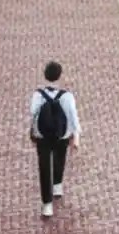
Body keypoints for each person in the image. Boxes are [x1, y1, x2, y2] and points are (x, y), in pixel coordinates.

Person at [29, 61, 81, 218]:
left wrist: (32, 132)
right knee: (60, 158)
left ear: (45, 75)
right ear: (60, 76)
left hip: (43, 136)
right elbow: (73, 116)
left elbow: (33, 113)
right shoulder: (67, 96)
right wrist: (76, 137)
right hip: (61, 135)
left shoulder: (38, 95)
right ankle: (57, 185)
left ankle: (47, 205)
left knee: (44, 168)